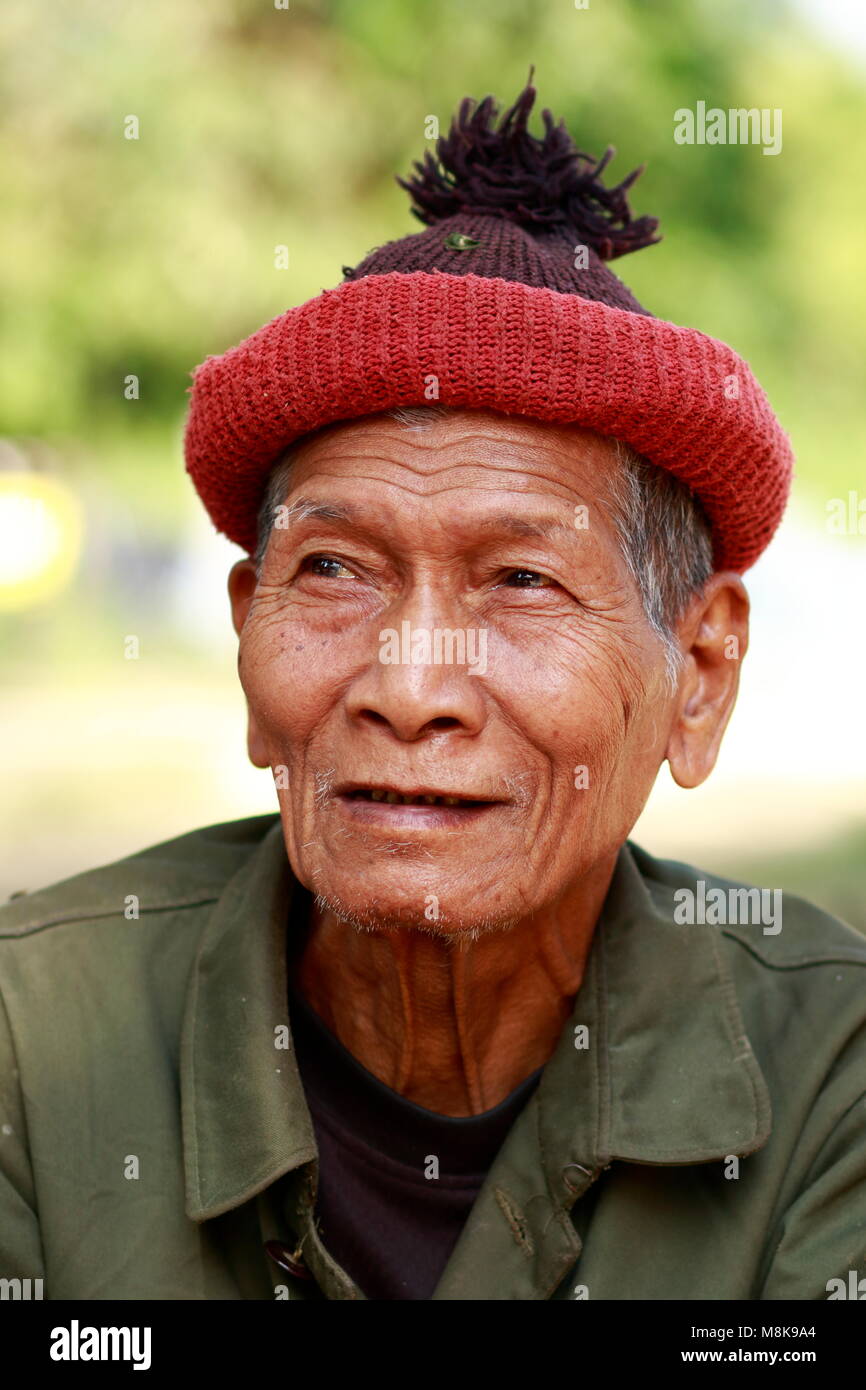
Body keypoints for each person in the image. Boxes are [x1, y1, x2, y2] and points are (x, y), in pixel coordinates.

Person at [2, 77, 864, 1302]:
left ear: (700, 675)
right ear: (250, 640)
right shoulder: (28, 1041)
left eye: (519, 579)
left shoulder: (834, 1078)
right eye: (336, 569)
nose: (411, 688)